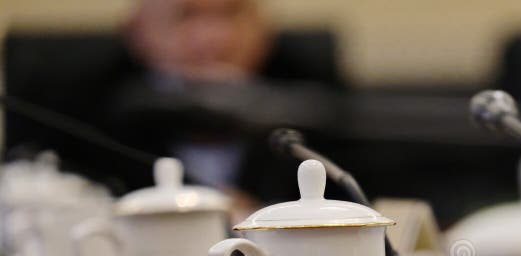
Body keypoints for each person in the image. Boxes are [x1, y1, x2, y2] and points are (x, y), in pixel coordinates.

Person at [3, 0, 343, 210]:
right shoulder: (73, 105)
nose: (214, 39)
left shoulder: (316, 95)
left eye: (232, 13)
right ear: (135, 29)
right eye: (185, 15)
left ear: (265, 26)